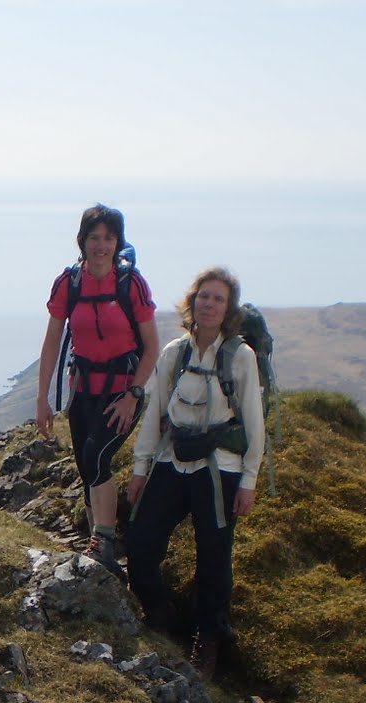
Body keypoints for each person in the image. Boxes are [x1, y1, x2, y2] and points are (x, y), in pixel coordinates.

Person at [124, 266, 265, 680]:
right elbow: (154, 412)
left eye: (218, 299)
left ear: (228, 309)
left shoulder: (240, 357)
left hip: (219, 469)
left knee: (214, 556)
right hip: (173, 462)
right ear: (192, 302)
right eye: (204, 296)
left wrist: (249, 481)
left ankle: (208, 638)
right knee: (142, 539)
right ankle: (161, 614)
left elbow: (254, 424)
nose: (209, 304)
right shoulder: (174, 353)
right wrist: (139, 469)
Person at [36, 204, 161, 576]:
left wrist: (133, 395)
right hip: (83, 390)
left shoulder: (130, 284)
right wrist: (42, 399)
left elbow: (152, 347)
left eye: (108, 238)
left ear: (118, 242)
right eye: (94, 237)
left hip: (124, 391)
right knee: (85, 467)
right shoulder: (69, 283)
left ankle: (105, 543)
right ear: (82, 241)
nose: (101, 245)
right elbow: (51, 342)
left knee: (96, 458)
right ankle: (98, 539)